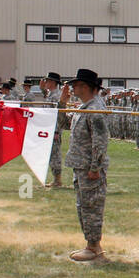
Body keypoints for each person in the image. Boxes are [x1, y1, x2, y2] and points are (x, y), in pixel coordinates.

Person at [63, 69, 110, 264]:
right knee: (83, 206)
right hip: (81, 165)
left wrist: (95, 167)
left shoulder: (95, 109)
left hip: (89, 168)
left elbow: (100, 141)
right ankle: (90, 245)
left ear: (85, 87)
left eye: (76, 85)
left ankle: (94, 247)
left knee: (91, 207)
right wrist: (62, 103)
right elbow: (65, 124)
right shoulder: (85, 106)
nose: (73, 88)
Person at [39, 71, 66, 188]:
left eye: (48, 81)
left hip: (54, 130)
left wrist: (56, 131)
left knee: (55, 155)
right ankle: (55, 179)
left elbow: (58, 115)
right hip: (48, 129)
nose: (46, 83)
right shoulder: (50, 95)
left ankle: (57, 180)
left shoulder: (56, 96)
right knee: (50, 155)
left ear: (54, 82)